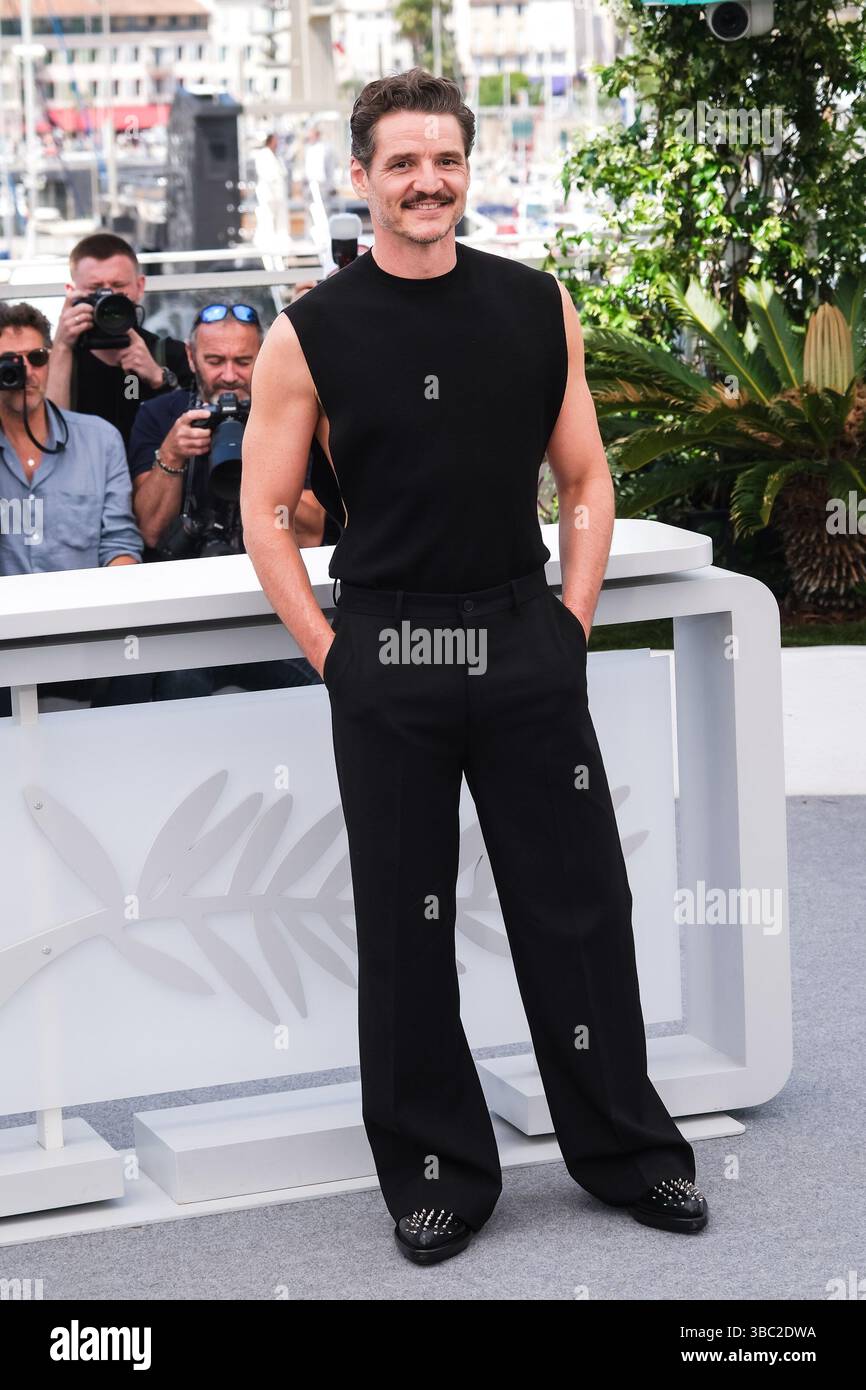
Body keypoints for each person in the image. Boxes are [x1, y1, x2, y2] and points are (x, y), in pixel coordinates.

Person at [240, 67, 708, 1266]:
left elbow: (587, 479)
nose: (424, 181)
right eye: (400, 162)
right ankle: (436, 1176)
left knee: (579, 909)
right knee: (405, 924)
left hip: (521, 639)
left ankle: (629, 1151)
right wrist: (332, 656)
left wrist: (571, 619)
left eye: (442, 159)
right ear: (361, 179)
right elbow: (263, 513)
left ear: (467, 168)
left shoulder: (531, 304)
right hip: (387, 648)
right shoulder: (309, 331)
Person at [128, 301, 339, 699]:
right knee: (180, 685)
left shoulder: (293, 412)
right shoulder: (160, 415)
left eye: (244, 361)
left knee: (322, 691)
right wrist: (171, 456)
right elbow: (151, 532)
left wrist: (266, 455)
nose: (229, 376)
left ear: (263, 356)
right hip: (188, 617)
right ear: (190, 357)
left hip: (276, 614)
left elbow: (312, 534)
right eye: (214, 360)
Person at [0, 302, 146, 714]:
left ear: (49, 359)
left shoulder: (99, 440)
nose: (25, 372)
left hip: (86, 639)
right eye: (8, 363)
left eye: (36, 358)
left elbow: (120, 544)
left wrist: (96, 616)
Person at [46, 231, 193, 449]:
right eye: (95, 289)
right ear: (71, 291)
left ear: (139, 286)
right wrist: (62, 346)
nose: (108, 297)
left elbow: (194, 432)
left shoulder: (171, 354)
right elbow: (51, 438)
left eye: (118, 285)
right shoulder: (49, 359)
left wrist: (159, 378)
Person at [253, 133, 290, 252]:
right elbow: (266, 175)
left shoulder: (276, 156)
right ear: (270, 141)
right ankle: (265, 242)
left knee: (279, 220)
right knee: (267, 219)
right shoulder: (263, 155)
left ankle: (279, 241)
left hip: (278, 195)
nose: (278, 143)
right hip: (269, 195)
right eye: (276, 141)